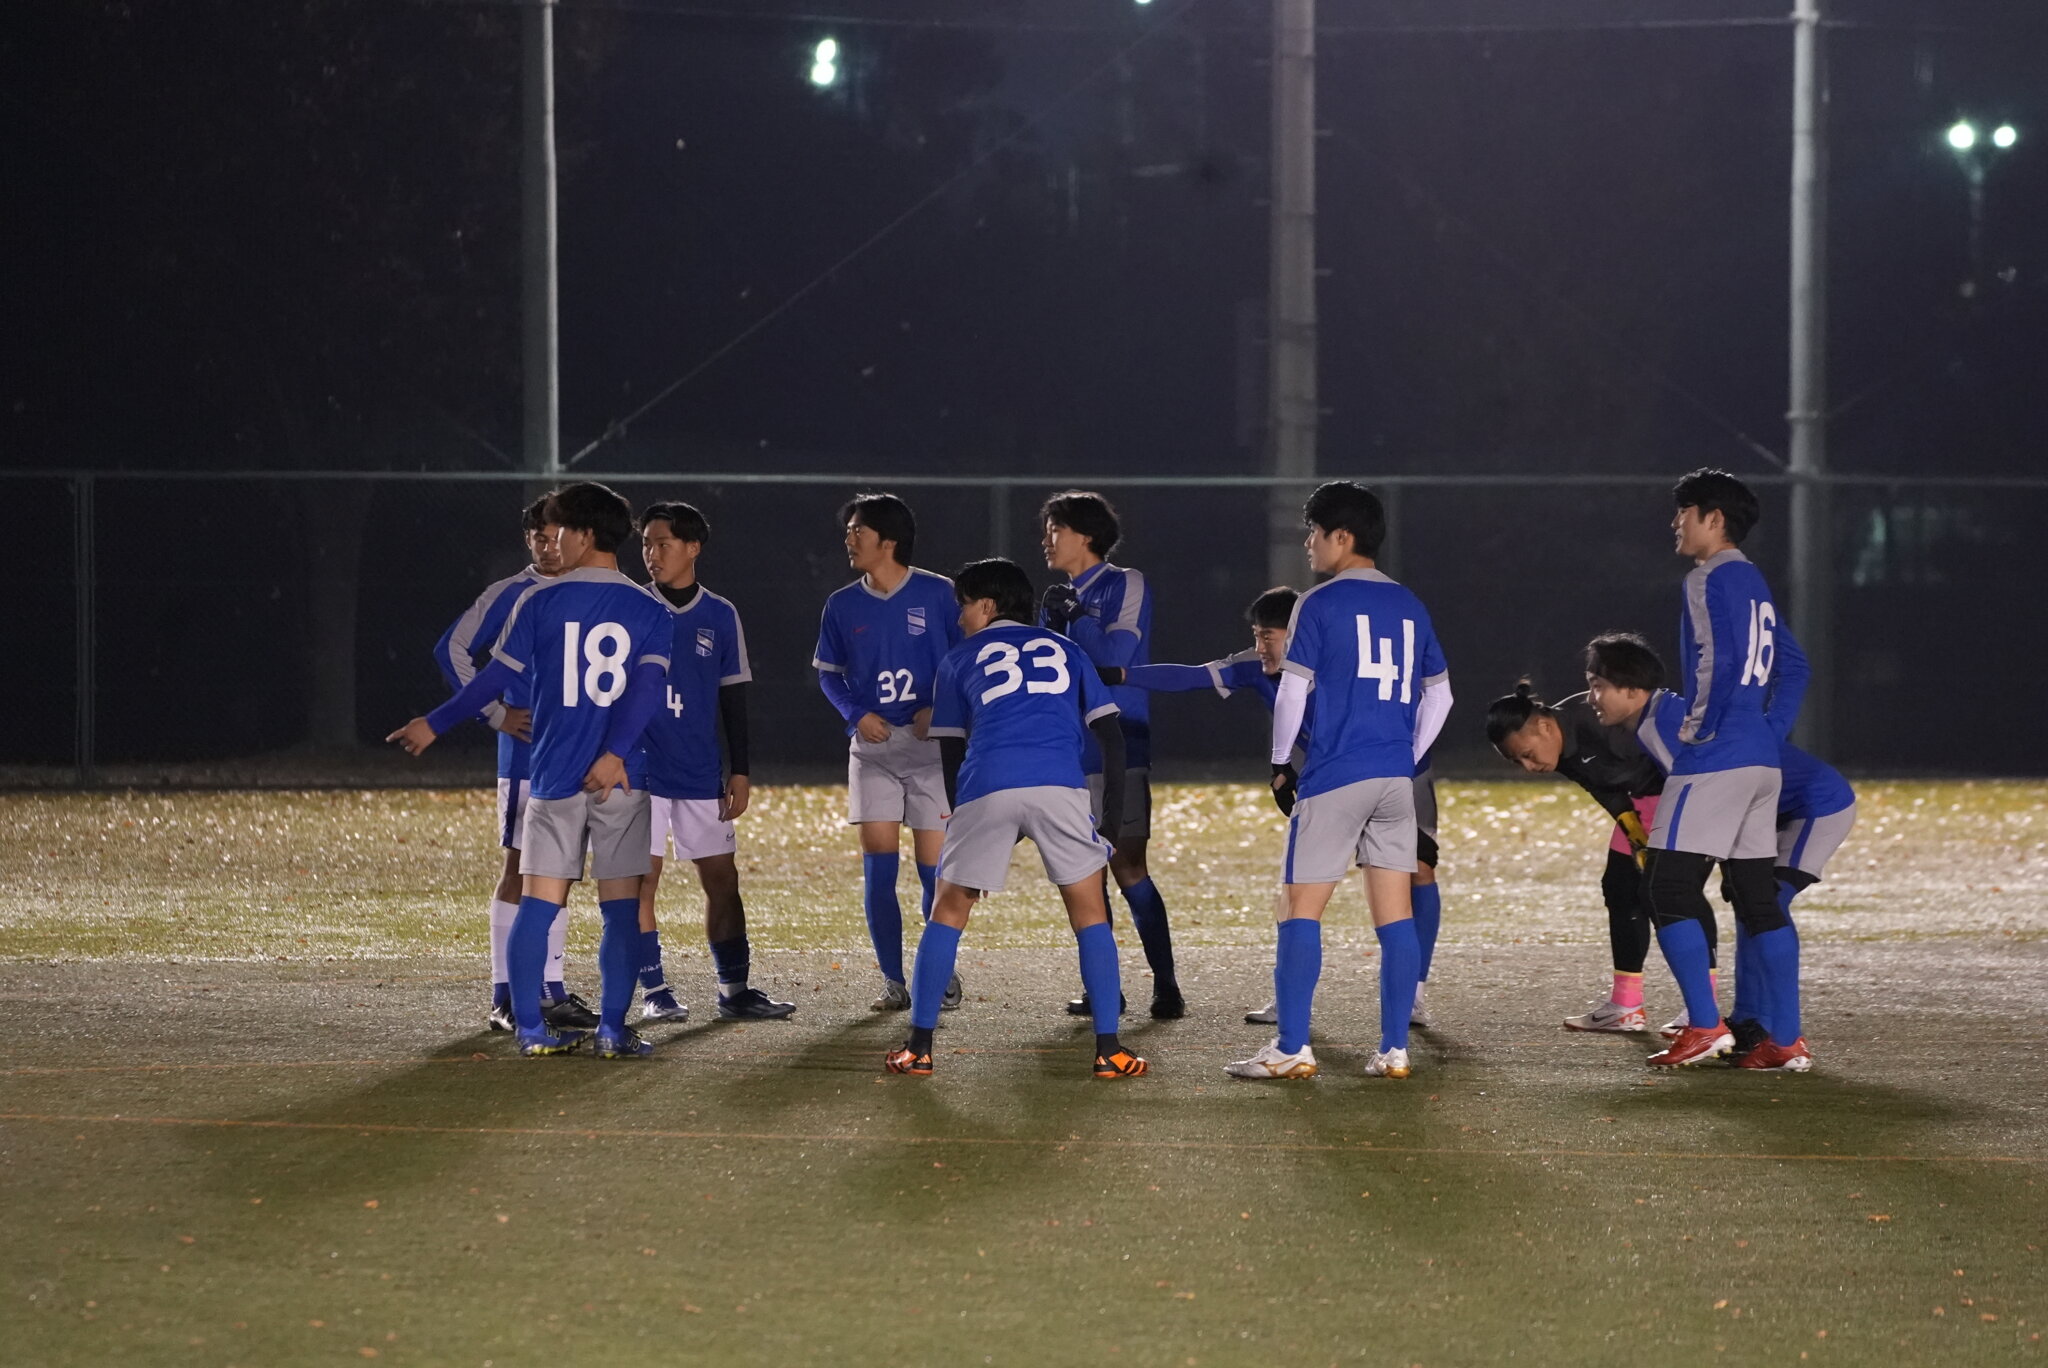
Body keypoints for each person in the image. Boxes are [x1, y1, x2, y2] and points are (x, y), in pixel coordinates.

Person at [390, 482, 673, 1060]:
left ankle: (530, 1030)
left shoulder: (537, 602)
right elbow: (644, 693)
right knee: (621, 908)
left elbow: (491, 682)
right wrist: (617, 751)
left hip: (552, 776)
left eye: (561, 530)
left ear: (585, 534)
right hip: (622, 779)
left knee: (538, 902)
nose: (552, 541)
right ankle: (614, 1032)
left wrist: (435, 723)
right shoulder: (650, 609)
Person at [887, 558, 1147, 1080]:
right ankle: (1110, 1051)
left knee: (948, 909)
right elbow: (1111, 736)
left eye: (964, 604)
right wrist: (1111, 825)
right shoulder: (1069, 649)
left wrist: (970, 823)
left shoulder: (959, 657)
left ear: (986, 605)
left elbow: (951, 753)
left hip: (988, 782)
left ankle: (918, 1048)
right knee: (1090, 913)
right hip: (1059, 784)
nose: (960, 616)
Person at [1228, 482, 1452, 1082]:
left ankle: (1292, 1047)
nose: (1308, 544)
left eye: (1313, 532)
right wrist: (1407, 756)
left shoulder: (1318, 603)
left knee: (1299, 908)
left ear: (1341, 537)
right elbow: (1442, 695)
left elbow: (1294, 689)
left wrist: (1281, 763)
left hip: (1334, 777)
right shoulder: (1410, 603)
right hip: (1394, 782)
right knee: (1394, 916)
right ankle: (1393, 1050)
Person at [1600, 628, 1843, 1071]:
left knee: (1745, 903)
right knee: (1754, 905)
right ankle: (1765, 1030)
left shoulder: (1663, 721)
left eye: (1598, 684)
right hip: (1774, 803)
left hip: (1814, 807)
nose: (1591, 695)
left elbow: (1705, 795)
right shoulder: (1665, 716)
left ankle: (1759, 1026)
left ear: (1633, 690)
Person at [1635, 468, 1795, 1069]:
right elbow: (1783, 665)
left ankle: (1705, 1025)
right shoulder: (1756, 581)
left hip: (1718, 753)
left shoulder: (1706, 579)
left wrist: (1695, 730)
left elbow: (1713, 663)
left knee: (1667, 888)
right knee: (1758, 901)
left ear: (1714, 519)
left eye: (1686, 511)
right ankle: (1787, 1038)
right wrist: (1759, 731)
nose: (1676, 521)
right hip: (1760, 757)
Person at [431, 496, 595, 1034]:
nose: (549, 547)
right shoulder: (510, 593)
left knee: (560, 873)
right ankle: (504, 994)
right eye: (540, 538)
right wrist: (495, 712)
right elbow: (451, 648)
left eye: (557, 536)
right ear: (527, 540)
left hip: (579, 755)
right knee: (519, 868)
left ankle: (550, 989)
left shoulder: (588, 589)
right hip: (526, 756)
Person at [630, 501, 793, 1024]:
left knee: (723, 879)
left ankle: (735, 990)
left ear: (693, 547)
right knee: (641, 880)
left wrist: (739, 771)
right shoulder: (631, 607)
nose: (652, 554)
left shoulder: (720, 615)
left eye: (664, 543)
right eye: (647, 544)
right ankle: (654, 989)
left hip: (700, 771)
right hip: (640, 771)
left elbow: (733, 698)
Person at [812, 493, 965, 1012]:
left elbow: (964, 661)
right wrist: (856, 715)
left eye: (859, 530)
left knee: (933, 871)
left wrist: (939, 710)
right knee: (879, 869)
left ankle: (938, 973)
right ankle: (893, 980)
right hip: (873, 750)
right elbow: (829, 676)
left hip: (928, 749)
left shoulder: (939, 592)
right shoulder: (841, 603)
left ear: (889, 540)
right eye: (849, 531)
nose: (849, 539)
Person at [1483, 633, 1678, 1033]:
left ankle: (1701, 1010)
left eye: (1528, 754)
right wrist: (1631, 827)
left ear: (1543, 725)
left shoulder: (1596, 721)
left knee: (1673, 899)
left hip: (1678, 802)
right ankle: (1627, 1006)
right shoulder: (1561, 747)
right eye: (1517, 761)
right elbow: (1603, 787)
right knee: (1621, 890)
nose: (1529, 766)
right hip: (1640, 808)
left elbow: (1670, 761)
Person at [1039, 490, 1183, 1019]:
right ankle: (1106, 989)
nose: (1046, 539)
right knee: (1083, 871)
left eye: (1055, 529)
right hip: (1072, 747)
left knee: (1128, 864)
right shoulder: (1058, 597)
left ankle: (1165, 985)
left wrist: (1076, 617)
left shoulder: (1126, 583)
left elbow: (1116, 658)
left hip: (1121, 739)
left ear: (1086, 535)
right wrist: (1053, 623)